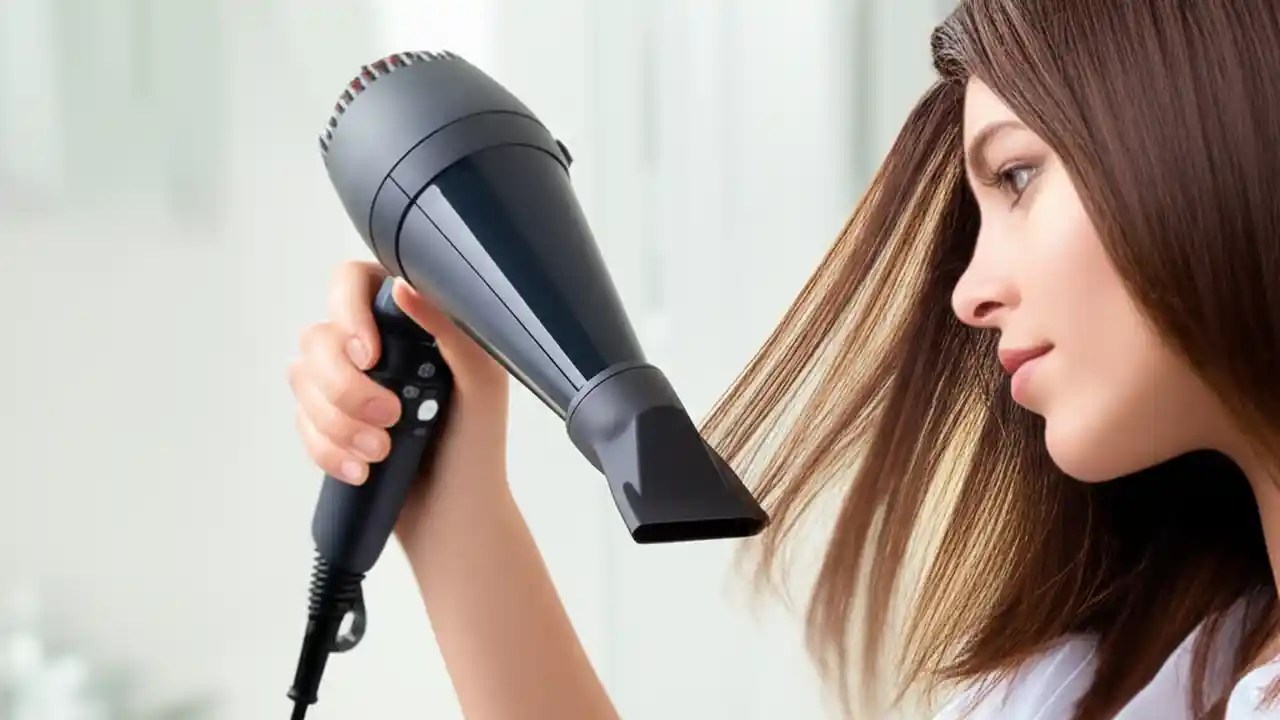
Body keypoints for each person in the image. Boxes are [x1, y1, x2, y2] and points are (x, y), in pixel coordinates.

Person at [285, 1, 1280, 718]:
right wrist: (454, 502)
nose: (968, 292)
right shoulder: (1117, 679)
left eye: (1017, 176)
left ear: (1214, 124)